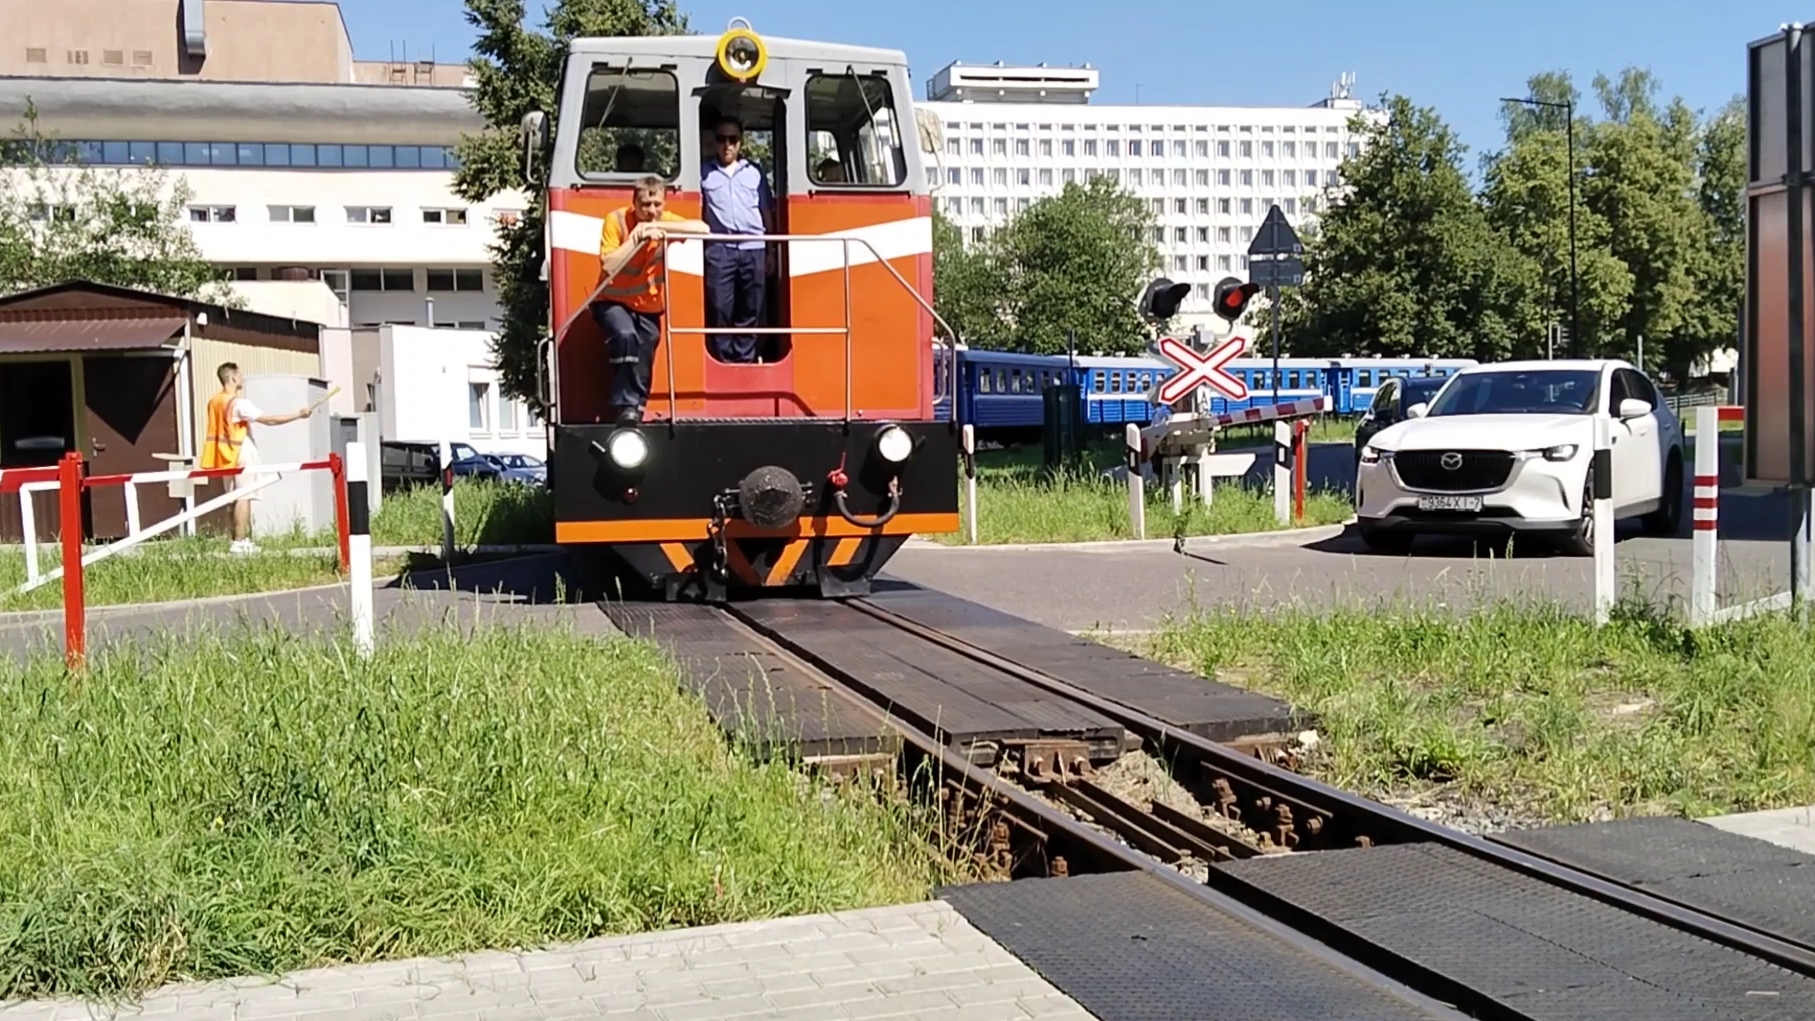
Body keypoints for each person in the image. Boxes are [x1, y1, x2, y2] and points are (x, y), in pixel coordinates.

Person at [590, 175, 709, 424]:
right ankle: (625, 404)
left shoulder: (662, 221)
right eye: (645, 205)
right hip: (611, 300)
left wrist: (662, 229)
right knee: (625, 335)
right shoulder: (617, 220)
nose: (652, 211)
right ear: (634, 203)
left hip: (648, 305)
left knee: (647, 341)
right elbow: (608, 264)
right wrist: (636, 236)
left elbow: (702, 228)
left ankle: (636, 407)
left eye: (657, 205)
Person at [198, 362, 310, 554]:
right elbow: (269, 420)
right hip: (241, 450)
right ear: (232, 377)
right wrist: (298, 415)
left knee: (233, 497)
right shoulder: (238, 403)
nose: (242, 378)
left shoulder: (214, 402)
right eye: (240, 375)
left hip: (226, 455)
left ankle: (235, 539)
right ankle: (241, 541)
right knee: (245, 495)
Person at [700, 116, 773, 363]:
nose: (727, 145)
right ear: (714, 142)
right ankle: (723, 361)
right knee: (720, 307)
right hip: (720, 249)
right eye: (722, 139)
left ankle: (744, 360)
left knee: (751, 307)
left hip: (754, 248)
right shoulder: (703, 173)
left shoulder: (755, 173)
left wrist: (772, 250)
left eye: (733, 139)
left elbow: (766, 211)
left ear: (741, 143)